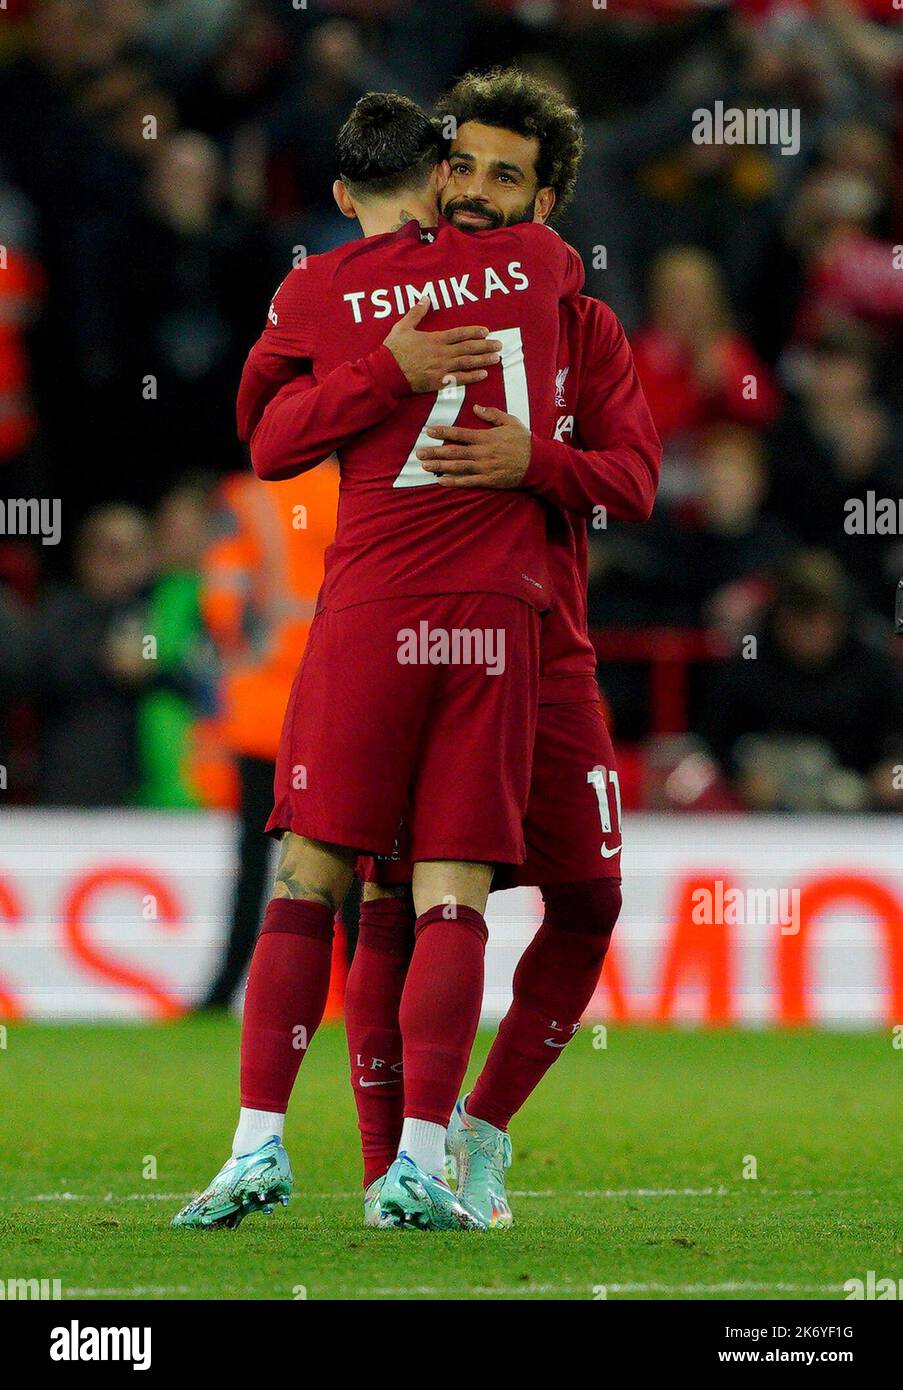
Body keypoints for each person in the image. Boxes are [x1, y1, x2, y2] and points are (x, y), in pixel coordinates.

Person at [227, 69, 661, 1229]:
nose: (468, 192)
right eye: (457, 164)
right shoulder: (387, 301)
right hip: (437, 627)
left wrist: (539, 461)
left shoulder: (585, 323)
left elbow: (635, 479)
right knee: (390, 897)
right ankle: (390, 1171)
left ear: (548, 197)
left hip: (546, 647)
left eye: (502, 175)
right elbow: (271, 427)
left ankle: (479, 1126)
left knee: (591, 902)